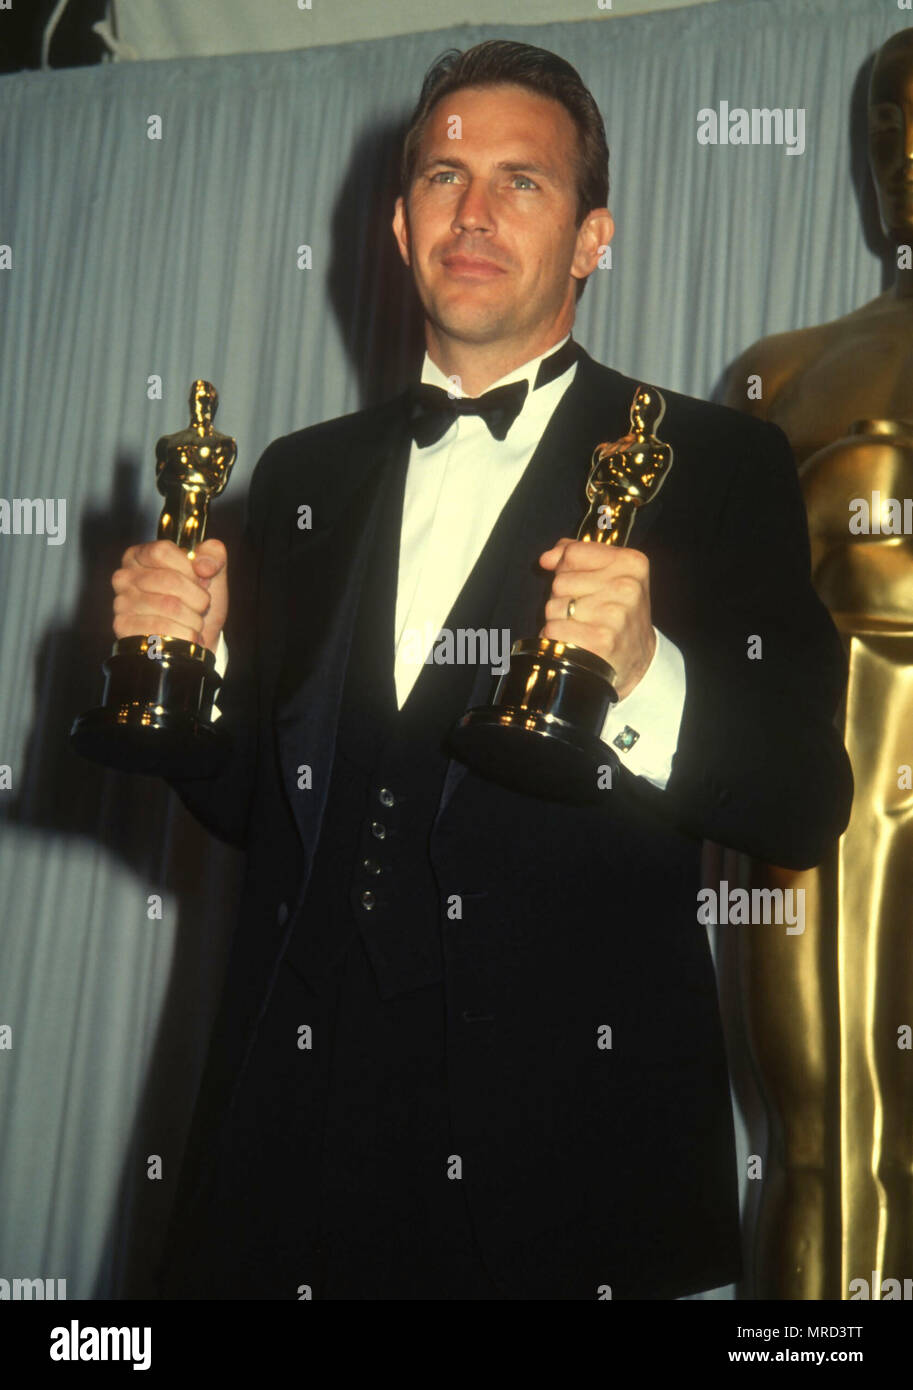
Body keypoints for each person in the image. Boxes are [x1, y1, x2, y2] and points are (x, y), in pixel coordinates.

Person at [110, 40, 852, 1300]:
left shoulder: (718, 461)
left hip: (567, 1194)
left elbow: (798, 799)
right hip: (285, 1166)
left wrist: (646, 674)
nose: (473, 212)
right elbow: (266, 814)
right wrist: (197, 672)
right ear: (399, 226)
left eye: (523, 182)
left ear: (590, 238)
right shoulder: (301, 474)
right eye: (444, 177)